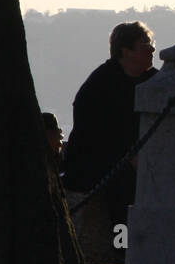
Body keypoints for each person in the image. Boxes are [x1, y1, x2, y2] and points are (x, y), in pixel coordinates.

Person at [62, 22, 158, 239]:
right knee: (121, 204)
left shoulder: (153, 81)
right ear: (126, 51)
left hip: (129, 167)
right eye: (145, 44)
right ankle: (122, 247)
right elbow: (97, 135)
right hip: (93, 169)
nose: (152, 49)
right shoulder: (101, 84)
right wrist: (130, 157)